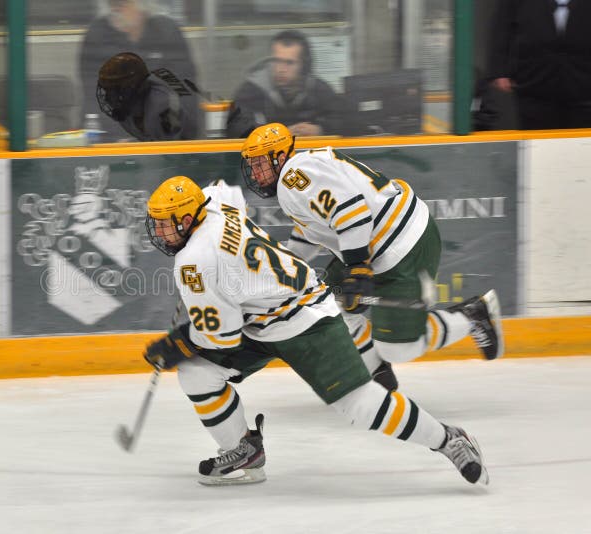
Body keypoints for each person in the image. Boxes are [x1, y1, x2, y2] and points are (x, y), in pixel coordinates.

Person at [141, 175, 489, 487]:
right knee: (198, 373)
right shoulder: (214, 204)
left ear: (188, 219)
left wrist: (178, 344)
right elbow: (224, 188)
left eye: (165, 224)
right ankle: (244, 451)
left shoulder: (194, 263)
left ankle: (449, 439)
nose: (158, 232)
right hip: (262, 317)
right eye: (156, 223)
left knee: (359, 405)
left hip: (306, 320)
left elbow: (223, 337)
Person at [239, 123, 504, 392]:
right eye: (252, 165)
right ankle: (377, 376)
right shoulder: (302, 171)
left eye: (260, 164)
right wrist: (286, 270)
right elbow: (313, 229)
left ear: (280, 156)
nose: (255, 173)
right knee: (327, 308)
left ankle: (472, 316)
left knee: (399, 348)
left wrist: (357, 268)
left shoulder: (293, 178)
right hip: (375, 244)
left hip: (402, 244)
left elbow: (351, 211)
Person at [78, 0, 197, 141]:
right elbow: (94, 97)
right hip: (112, 137)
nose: (115, 10)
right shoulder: (97, 36)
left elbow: (185, 90)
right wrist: (118, 138)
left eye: (122, 4)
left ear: (143, 5)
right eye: (111, 4)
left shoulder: (167, 32)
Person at [487, 0, 591, 130]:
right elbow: (502, 27)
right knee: (537, 131)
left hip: (583, 83)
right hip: (533, 81)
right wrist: (499, 71)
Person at [225, 29, 345, 139]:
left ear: (304, 65)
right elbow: (234, 130)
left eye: (289, 63)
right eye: (276, 61)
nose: (280, 69)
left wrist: (320, 130)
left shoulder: (320, 90)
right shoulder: (250, 91)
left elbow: (344, 123)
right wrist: (279, 135)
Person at [96, 52, 199, 141]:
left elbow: (173, 150)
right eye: (107, 90)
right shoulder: (126, 110)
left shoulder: (162, 107)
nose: (109, 98)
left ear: (134, 87)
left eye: (115, 90)